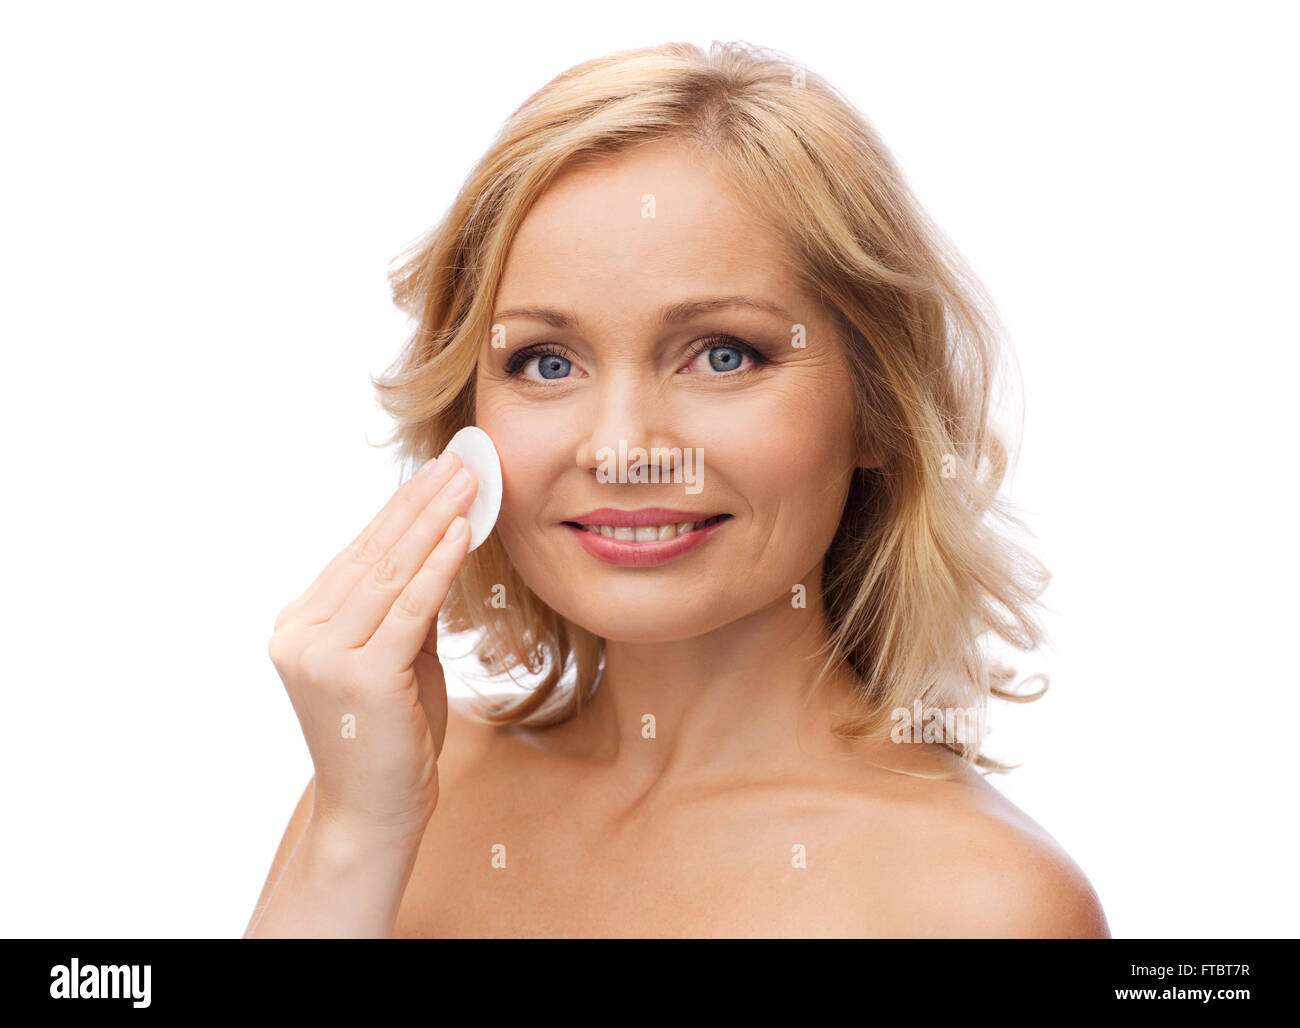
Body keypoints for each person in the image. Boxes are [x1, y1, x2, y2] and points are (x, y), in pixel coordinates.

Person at [244, 41, 1109, 938]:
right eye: (546, 362)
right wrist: (358, 834)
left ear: (881, 408)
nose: (622, 451)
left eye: (723, 354)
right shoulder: (386, 795)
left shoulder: (979, 903)